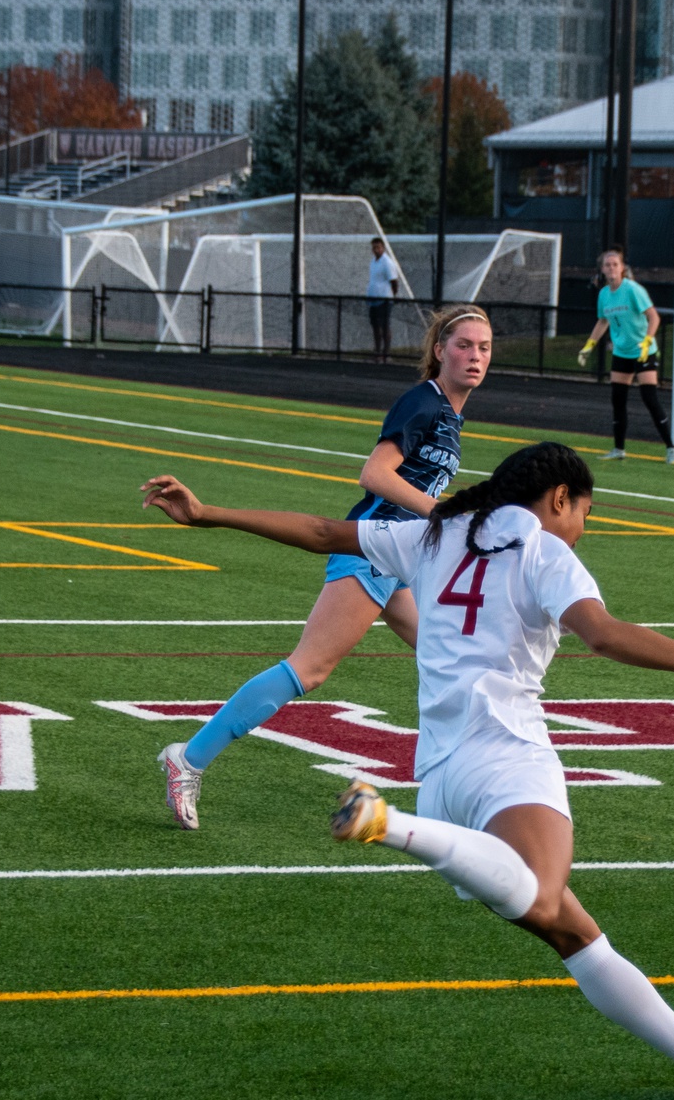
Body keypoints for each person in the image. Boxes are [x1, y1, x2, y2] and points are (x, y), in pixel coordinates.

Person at [142, 442, 674, 1100]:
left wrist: (209, 512)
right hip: (506, 755)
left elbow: (320, 532)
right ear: (558, 498)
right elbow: (604, 634)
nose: (581, 529)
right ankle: (388, 824)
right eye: (584, 513)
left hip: (443, 775)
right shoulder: (543, 550)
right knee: (540, 893)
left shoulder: (433, 534)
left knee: (570, 929)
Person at [155, 307, 494, 829]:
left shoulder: (450, 414)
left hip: (398, 555)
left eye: (484, 348)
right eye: (464, 345)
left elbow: (422, 485)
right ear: (439, 351)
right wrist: (440, 515)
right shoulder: (424, 402)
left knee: (445, 651)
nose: (475, 356)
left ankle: (468, 781)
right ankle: (190, 758)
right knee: (309, 669)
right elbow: (376, 474)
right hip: (373, 547)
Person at [577, 247, 674, 464]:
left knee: (649, 398)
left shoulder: (633, 290)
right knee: (618, 400)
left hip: (643, 352)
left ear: (622, 268)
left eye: (615, 264)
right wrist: (590, 345)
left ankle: (670, 447)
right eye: (607, 265)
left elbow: (654, 317)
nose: (611, 268)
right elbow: (603, 321)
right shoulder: (604, 294)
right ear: (602, 269)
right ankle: (619, 449)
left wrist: (648, 341)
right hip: (621, 352)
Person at [366, 237, 401, 361]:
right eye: (374, 247)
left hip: (384, 299)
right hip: (374, 299)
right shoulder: (374, 262)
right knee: (375, 326)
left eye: (378, 247)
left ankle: (386, 353)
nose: (376, 250)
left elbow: (394, 281)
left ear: (383, 248)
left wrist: (392, 295)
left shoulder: (387, 262)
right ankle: (377, 351)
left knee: (384, 326)